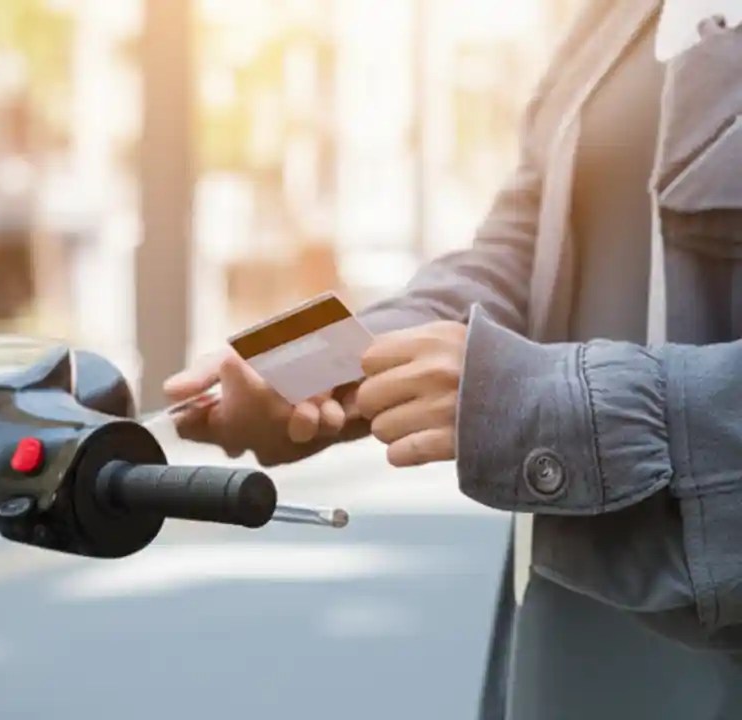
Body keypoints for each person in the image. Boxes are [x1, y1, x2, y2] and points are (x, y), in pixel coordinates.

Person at [164, 1, 742, 717]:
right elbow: (520, 250)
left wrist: (549, 403)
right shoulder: (611, 21)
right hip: (583, 630)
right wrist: (333, 360)